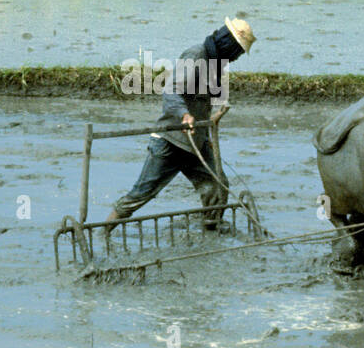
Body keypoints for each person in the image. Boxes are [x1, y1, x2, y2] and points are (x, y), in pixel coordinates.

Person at [104, 17, 256, 231]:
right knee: (141, 193)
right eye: (238, 51)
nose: (237, 57)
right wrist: (184, 115)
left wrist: (208, 129)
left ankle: (211, 230)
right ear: (228, 45)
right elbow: (171, 90)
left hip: (196, 140)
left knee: (217, 186)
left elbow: (204, 102)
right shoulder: (196, 56)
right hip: (171, 140)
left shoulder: (216, 64)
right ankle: (104, 230)